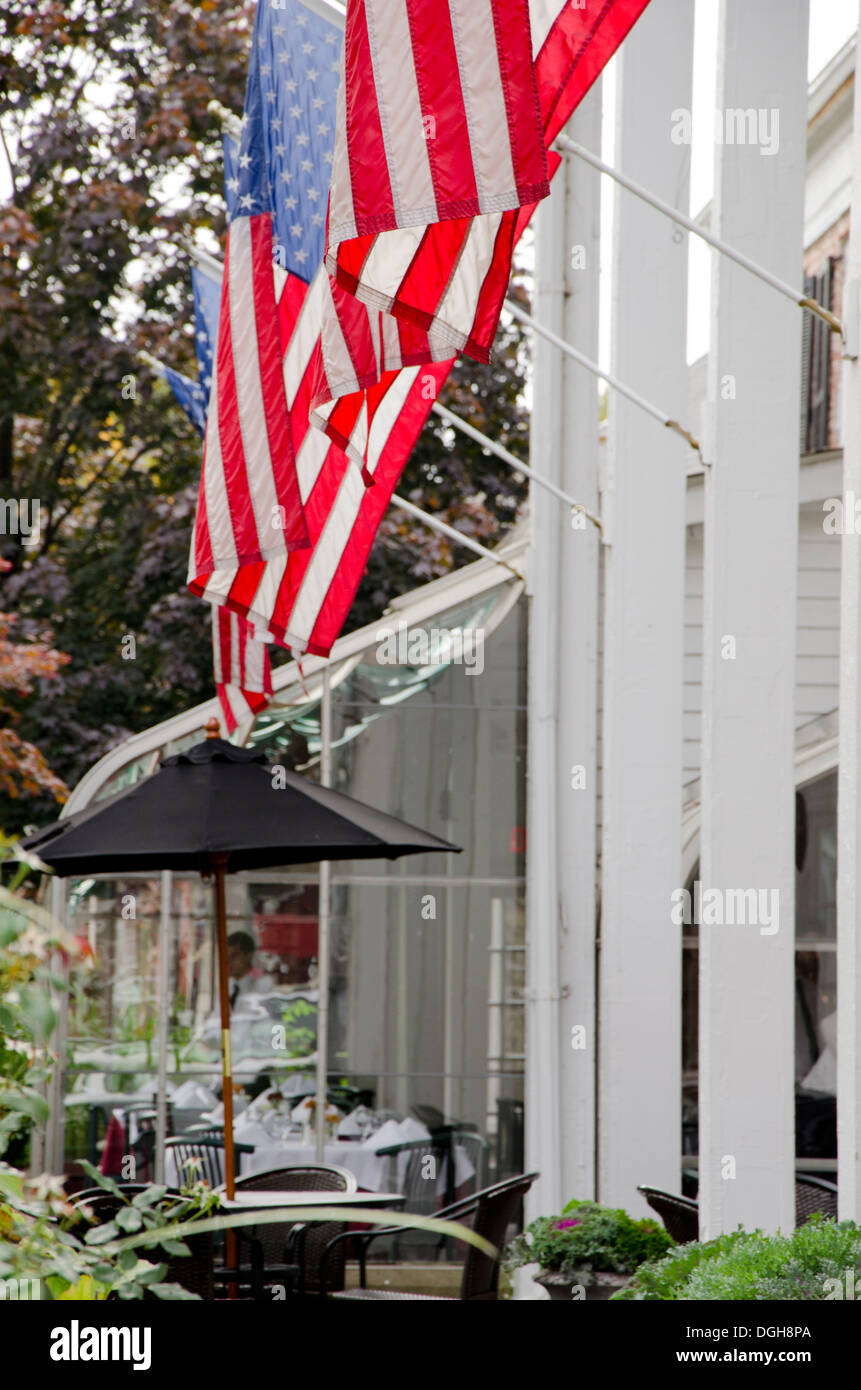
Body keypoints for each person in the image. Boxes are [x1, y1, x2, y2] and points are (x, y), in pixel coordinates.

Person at [226, 931, 259, 1008]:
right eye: (227, 957)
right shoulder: (226, 988)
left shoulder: (262, 986)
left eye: (234, 955)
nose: (229, 961)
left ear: (248, 955)